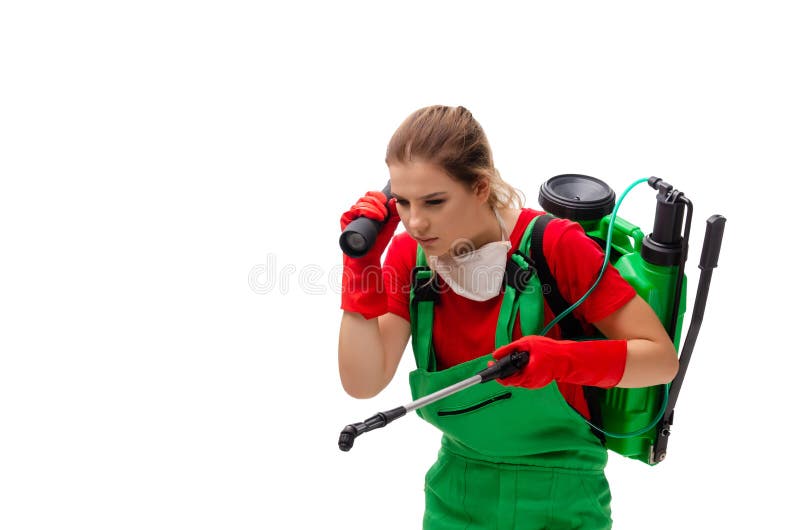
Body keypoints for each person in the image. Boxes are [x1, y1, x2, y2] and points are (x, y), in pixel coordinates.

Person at [338, 105, 678, 529]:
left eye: (435, 201)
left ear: (480, 187)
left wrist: (560, 360)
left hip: (563, 494)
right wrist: (360, 265)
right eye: (403, 202)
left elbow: (660, 359)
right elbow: (362, 381)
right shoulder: (411, 256)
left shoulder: (555, 245)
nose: (416, 221)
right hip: (456, 492)